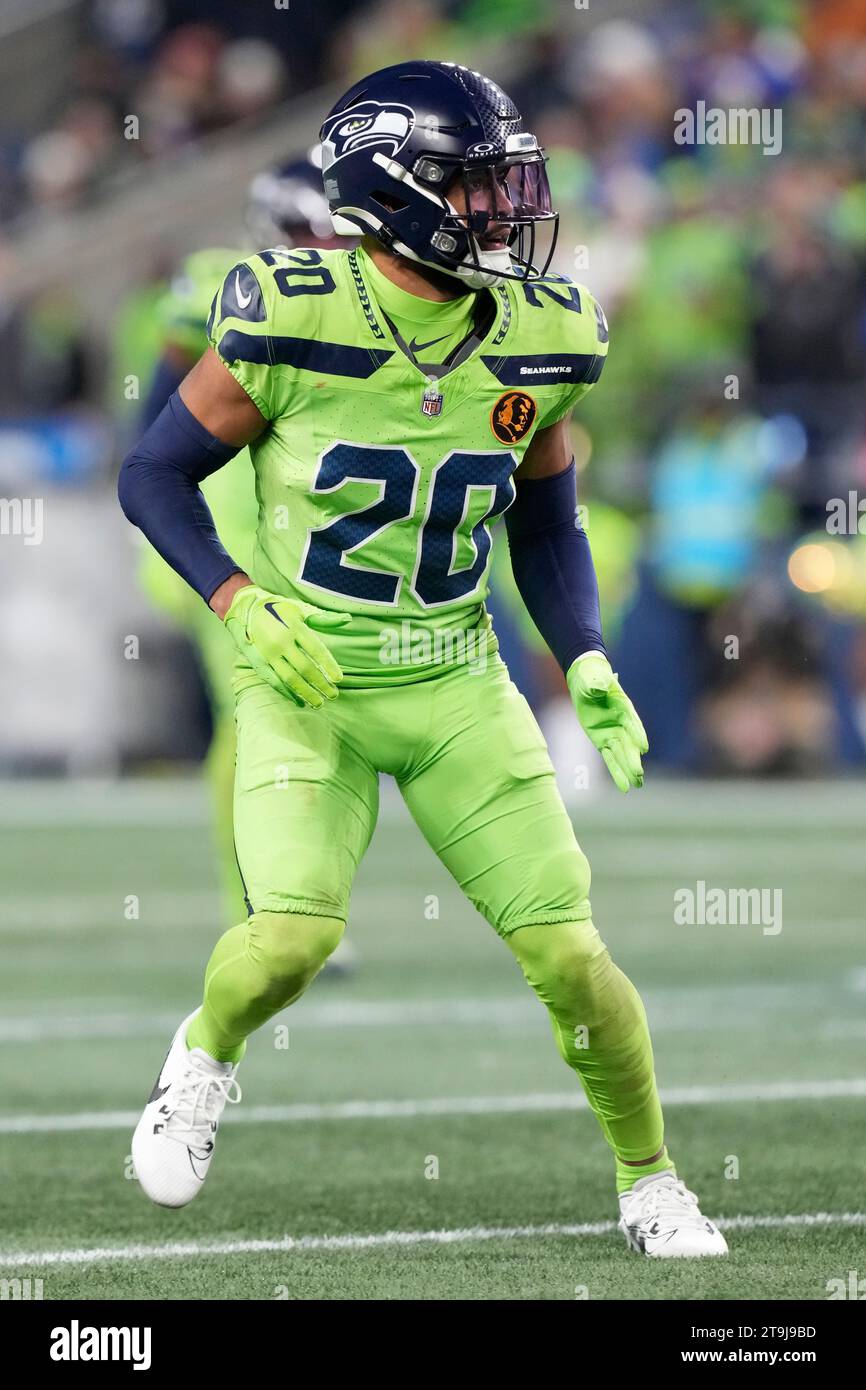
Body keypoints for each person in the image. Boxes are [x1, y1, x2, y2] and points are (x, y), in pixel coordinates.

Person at [119, 61, 726, 1258]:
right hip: (311, 683)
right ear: (393, 191)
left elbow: (545, 518)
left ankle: (651, 1181)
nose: (506, 210)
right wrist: (238, 601)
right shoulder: (293, 310)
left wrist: (586, 657)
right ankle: (203, 1056)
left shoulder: (543, 335)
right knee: (287, 944)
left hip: (455, 681)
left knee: (568, 954)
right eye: (478, 186)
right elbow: (153, 472)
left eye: (509, 185)